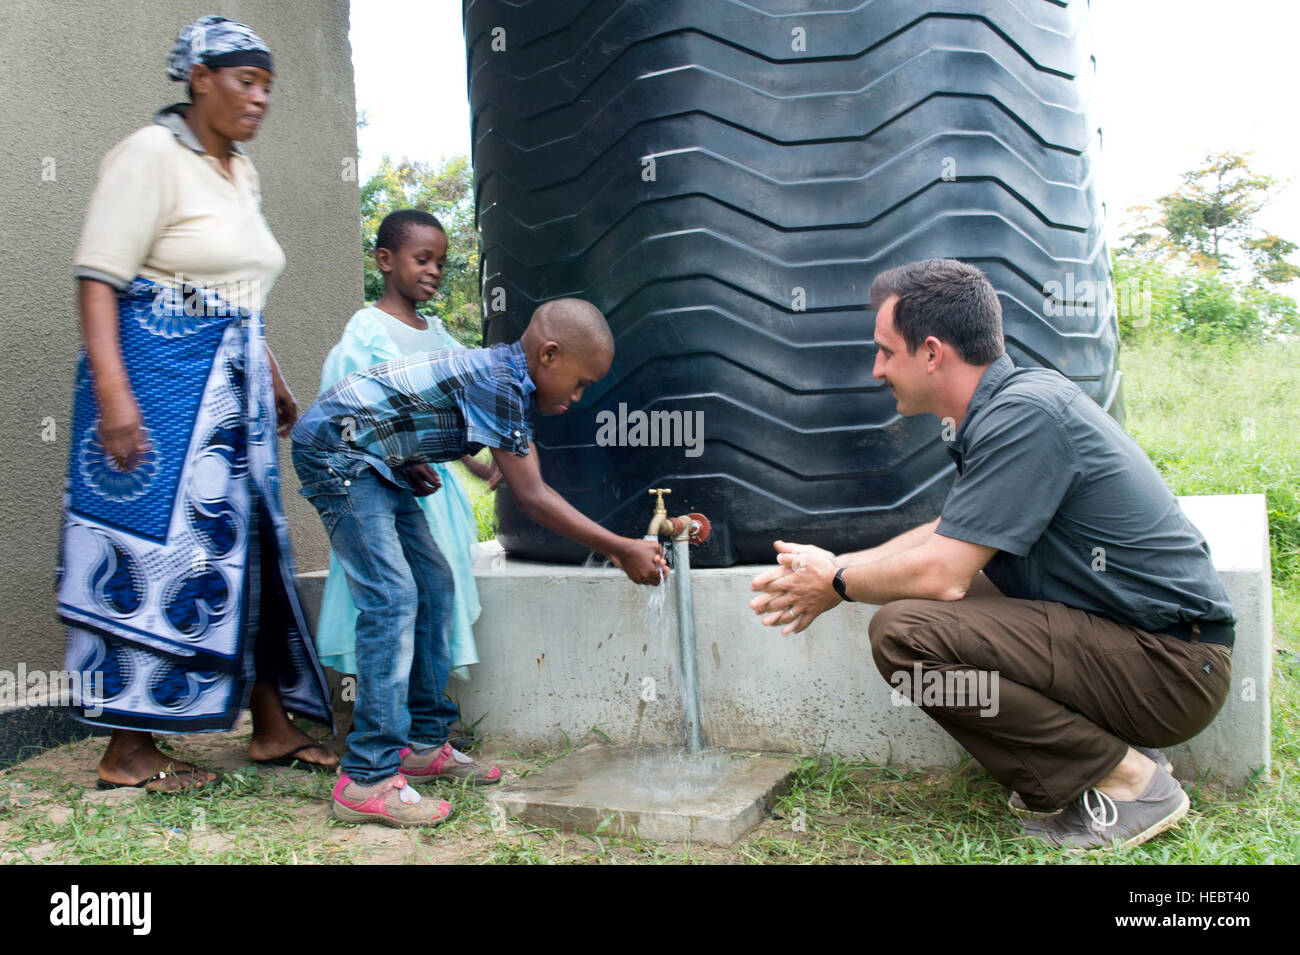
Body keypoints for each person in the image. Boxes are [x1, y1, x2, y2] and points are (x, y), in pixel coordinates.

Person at [748, 258, 1235, 851]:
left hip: (1171, 670)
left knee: (905, 632)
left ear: (932, 353)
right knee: (932, 603)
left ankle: (1130, 780)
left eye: (885, 352)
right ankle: (1105, 762)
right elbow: (947, 532)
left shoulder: (1025, 413)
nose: (876, 370)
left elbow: (945, 573)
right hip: (1145, 652)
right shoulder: (1011, 404)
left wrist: (840, 583)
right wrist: (840, 561)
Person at [59, 15, 337, 792]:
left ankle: (271, 726)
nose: (260, 98)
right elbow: (98, 278)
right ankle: (128, 747)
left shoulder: (239, 172)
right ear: (200, 78)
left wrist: (273, 372)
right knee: (150, 555)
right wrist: (116, 396)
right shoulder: (149, 155)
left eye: (269, 87)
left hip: (232, 396)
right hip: (159, 386)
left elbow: (237, 291)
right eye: (246, 81)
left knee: (245, 550)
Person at [291, 297, 668, 827]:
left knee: (436, 585)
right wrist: (619, 546)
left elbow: (407, 401)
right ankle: (367, 777)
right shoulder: (502, 383)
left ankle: (422, 744)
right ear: (549, 355)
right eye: (579, 383)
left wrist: (409, 453)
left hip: (379, 456)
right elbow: (533, 497)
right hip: (338, 453)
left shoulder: (502, 377)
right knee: (392, 597)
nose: (578, 397)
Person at [315, 209, 498, 701]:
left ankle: (425, 714)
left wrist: (479, 462)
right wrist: (395, 456)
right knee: (394, 597)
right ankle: (386, 718)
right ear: (385, 259)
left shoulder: (440, 339)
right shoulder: (365, 335)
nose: (434, 270)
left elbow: (451, 413)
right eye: (422, 258)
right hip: (380, 493)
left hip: (436, 494)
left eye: (440, 261)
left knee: (437, 591)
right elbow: (344, 417)